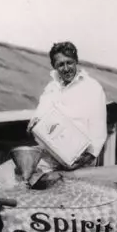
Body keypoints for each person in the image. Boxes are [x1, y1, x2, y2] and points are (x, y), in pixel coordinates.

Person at [27, 41, 107, 183]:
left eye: (69, 62)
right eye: (60, 64)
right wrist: (33, 124)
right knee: (13, 172)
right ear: (54, 66)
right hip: (51, 155)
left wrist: (87, 158)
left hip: (80, 160)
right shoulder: (52, 87)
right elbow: (40, 114)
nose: (66, 68)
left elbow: (98, 130)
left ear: (76, 61)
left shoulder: (92, 88)